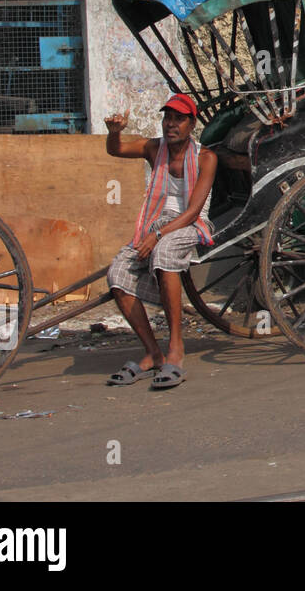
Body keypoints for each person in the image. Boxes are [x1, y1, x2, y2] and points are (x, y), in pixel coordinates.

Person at [103, 93, 217, 389]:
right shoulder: (155, 148)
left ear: (192, 124)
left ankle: (176, 348)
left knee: (164, 252)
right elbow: (116, 150)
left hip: (190, 224)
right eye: (167, 118)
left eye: (179, 119)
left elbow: (193, 210)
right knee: (117, 272)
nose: (171, 124)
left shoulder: (206, 157)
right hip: (155, 222)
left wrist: (157, 237)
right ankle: (152, 352)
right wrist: (114, 133)